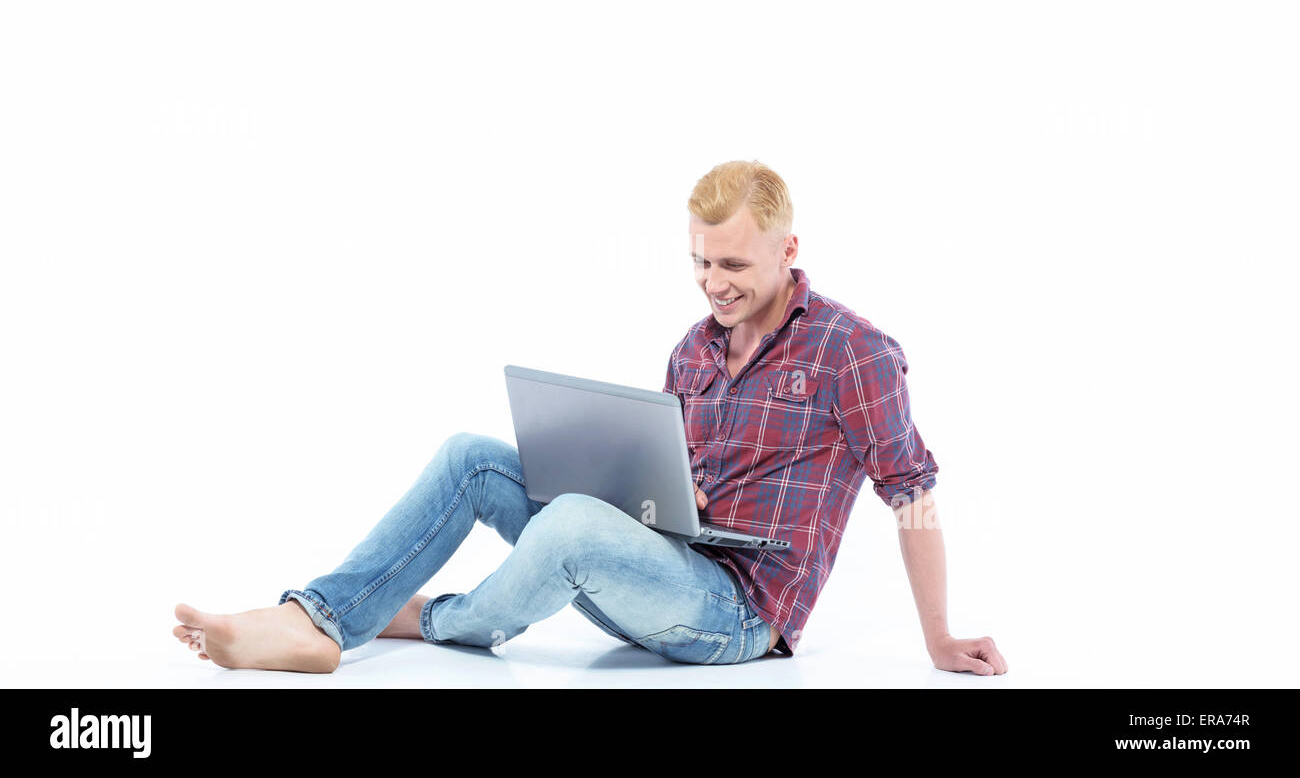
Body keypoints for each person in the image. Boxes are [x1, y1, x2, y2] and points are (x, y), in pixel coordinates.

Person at [173, 159, 1007, 674]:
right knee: (473, 456)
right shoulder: (692, 349)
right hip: (661, 564)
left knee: (570, 525)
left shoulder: (853, 351)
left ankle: (424, 616)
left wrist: (937, 637)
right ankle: (314, 618)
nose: (712, 282)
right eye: (698, 260)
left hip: (741, 616)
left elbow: (912, 491)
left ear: (789, 250)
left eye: (732, 263)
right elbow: (672, 486)